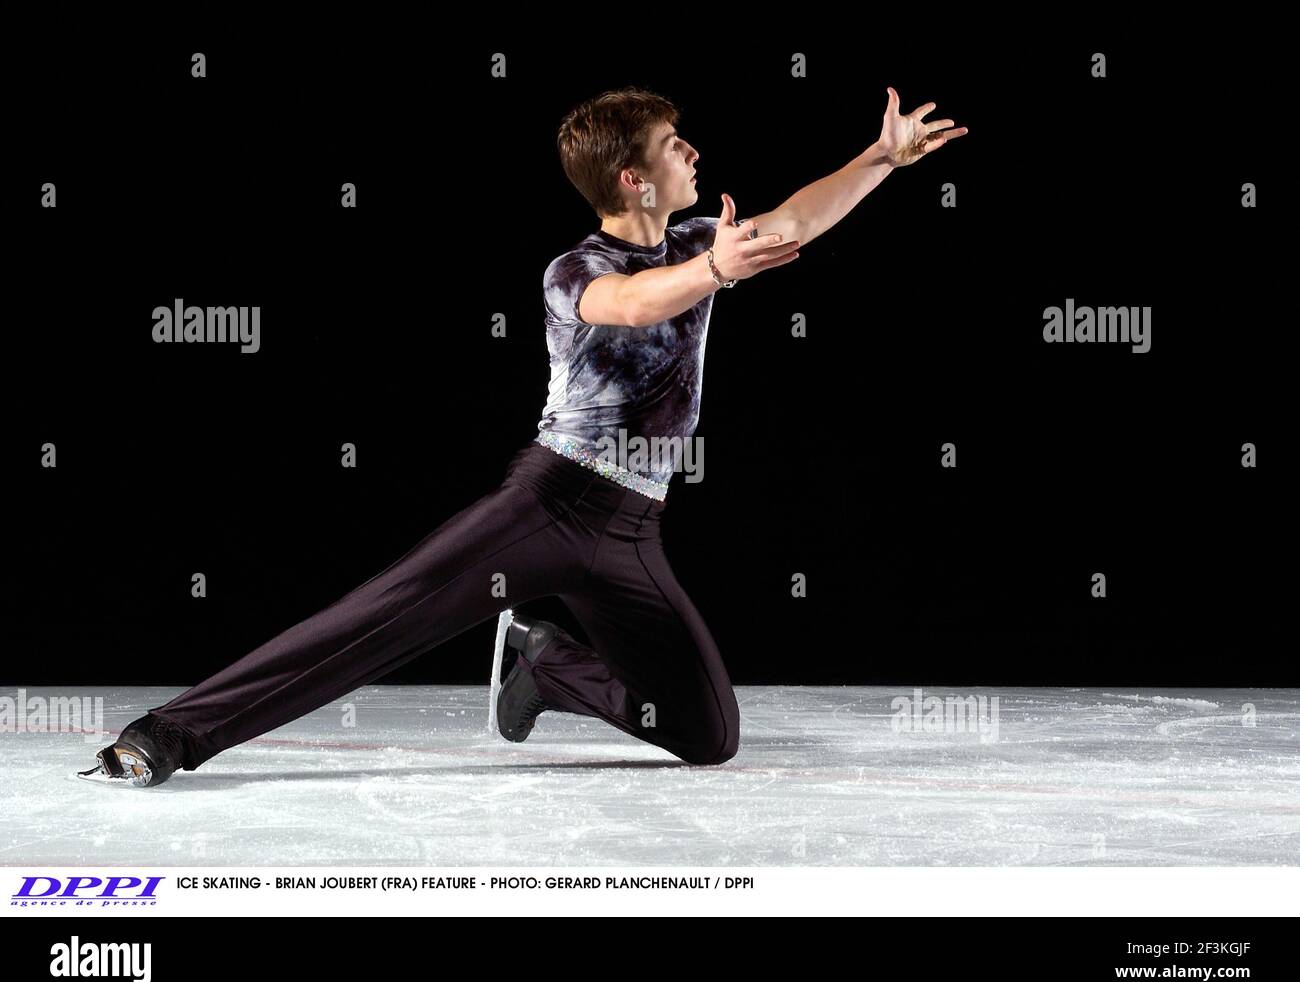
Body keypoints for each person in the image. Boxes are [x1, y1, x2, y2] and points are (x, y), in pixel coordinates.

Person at [79, 85, 966, 787]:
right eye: (673, 144)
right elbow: (629, 306)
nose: (692, 151)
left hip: (634, 530)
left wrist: (881, 158)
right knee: (369, 623)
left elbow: (799, 218)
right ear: (632, 177)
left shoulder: (702, 238)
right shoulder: (579, 268)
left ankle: (545, 666)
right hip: (549, 505)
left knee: (706, 736)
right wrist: (714, 272)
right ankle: (168, 735)